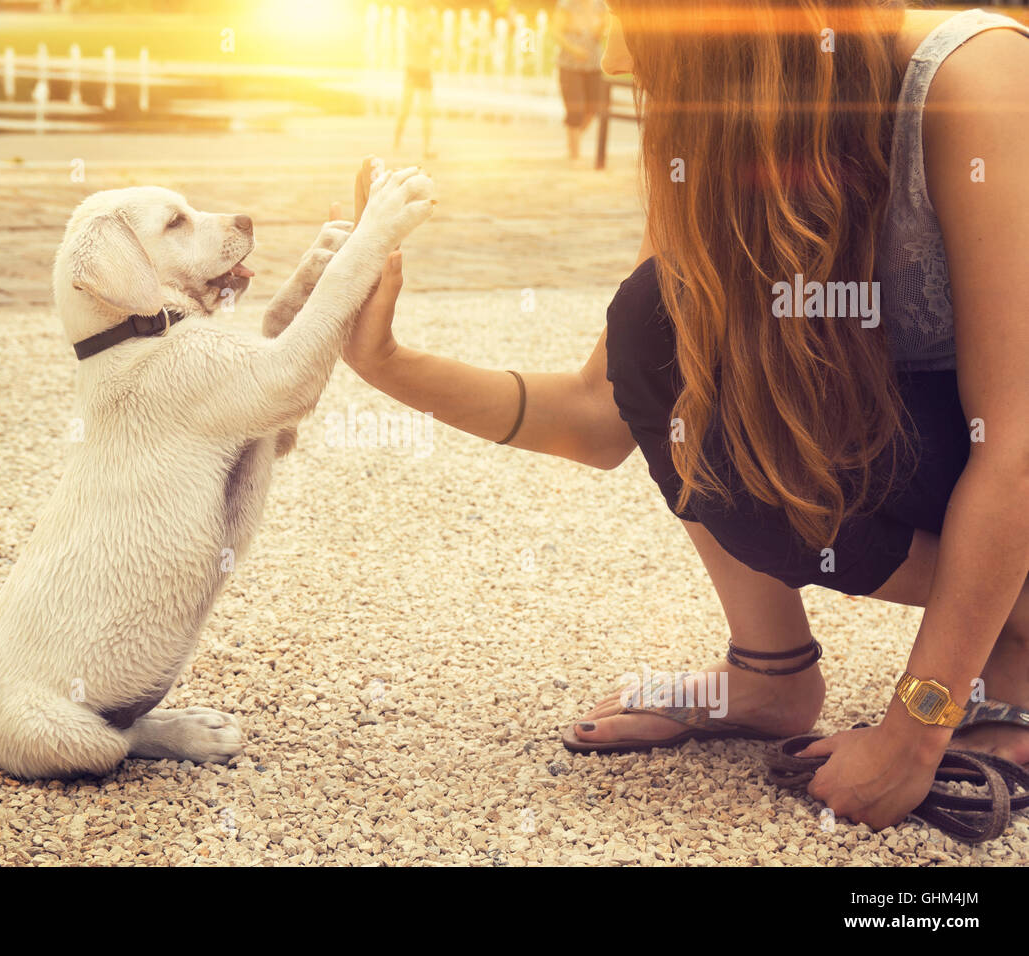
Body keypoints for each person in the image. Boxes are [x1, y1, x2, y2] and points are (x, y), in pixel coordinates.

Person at [341, 0, 1029, 831]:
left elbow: (1016, 444)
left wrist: (914, 732)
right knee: (659, 320)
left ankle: (1016, 638)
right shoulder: (729, 136)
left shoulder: (973, 77)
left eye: (622, 16)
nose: (609, 58)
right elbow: (601, 413)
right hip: (944, 468)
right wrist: (388, 364)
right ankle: (771, 672)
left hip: (1008, 470)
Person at [554, 0, 607, 165]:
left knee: (594, 107)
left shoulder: (600, 5)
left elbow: (604, 29)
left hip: (594, 64)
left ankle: (573, 141)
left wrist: (601, 29)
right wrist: (574, 50)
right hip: (570, 65)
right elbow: (556, 32)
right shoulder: (566, 4)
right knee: (575, 109)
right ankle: (575, 155)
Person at [394, 4, 439, 161]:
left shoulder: (430, 29)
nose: (427, 16)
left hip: (425, 72)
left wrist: (433, 33)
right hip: (412, 72)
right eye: (425, 13)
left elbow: (438, 43)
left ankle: (427, 148)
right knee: (405, 110)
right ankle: (397, 140)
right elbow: (419, 41)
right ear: (417, 14)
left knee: (427, 111)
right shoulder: (409, 28)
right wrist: (428, 32)